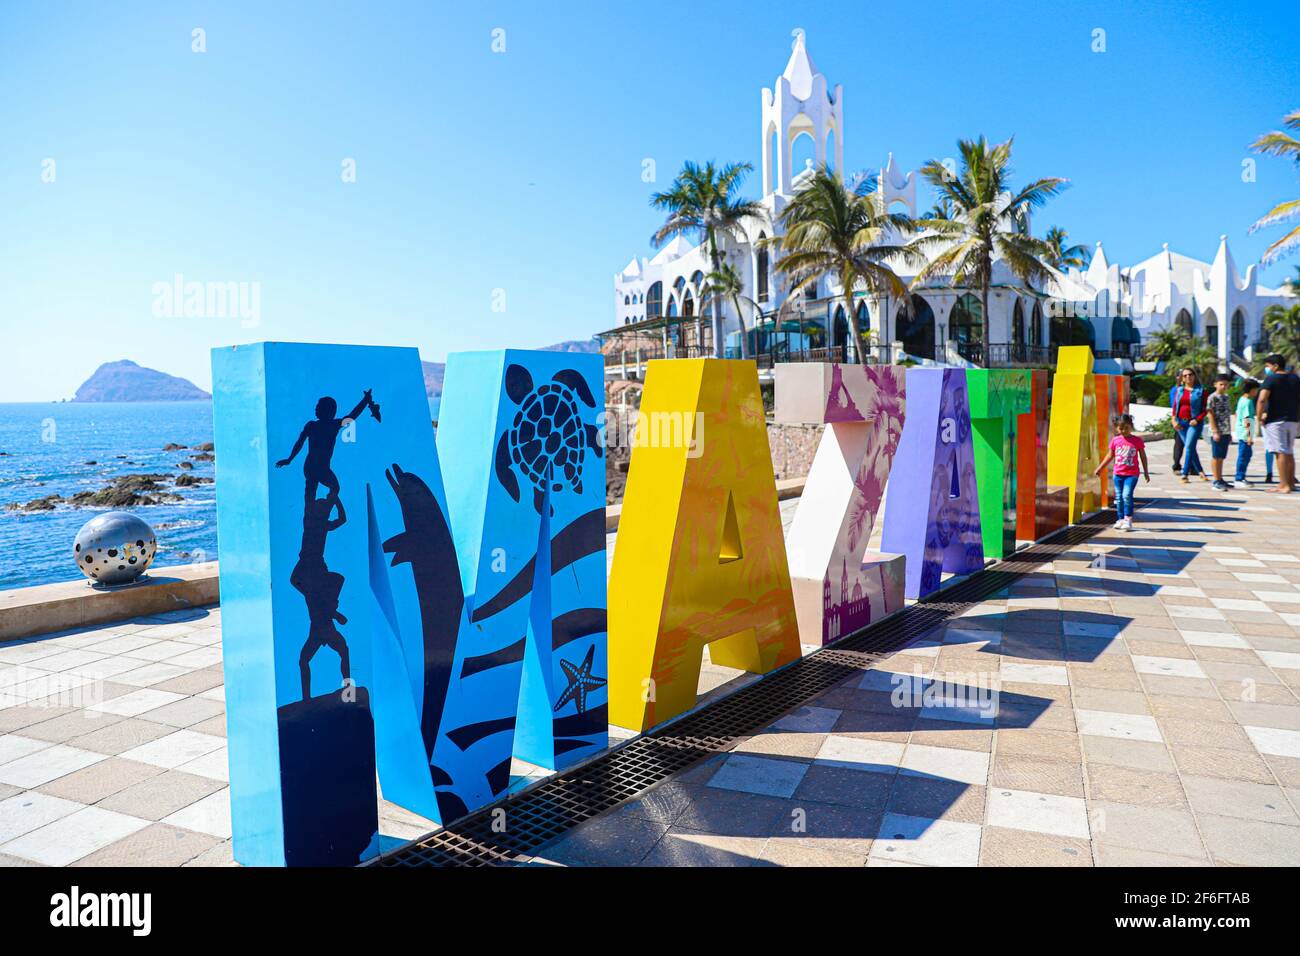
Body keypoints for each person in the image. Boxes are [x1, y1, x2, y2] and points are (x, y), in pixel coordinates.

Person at [276, 389, 379, 504]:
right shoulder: (312, 425)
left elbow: (352, 416)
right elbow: (299, 443)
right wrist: (289, 459)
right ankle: (314, 512)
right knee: (313, 493)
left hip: (322, 468)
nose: (316, 408)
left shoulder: (333, 425)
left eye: (319, 406)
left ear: (327, 410)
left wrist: (365, 401)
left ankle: (322, 510)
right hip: (312, 467)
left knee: (333, 488)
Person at [1094, 413, 1150, 531]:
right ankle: (1120, 519)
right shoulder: (1115, 441)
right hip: (1118, 474)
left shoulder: (1137, 441)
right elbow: (1109, 456)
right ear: (1116, 428)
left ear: (1131, 427)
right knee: (1119, 497)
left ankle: (1128, 519)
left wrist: (1146, 471)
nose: (1124, 430)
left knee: (1126, 495)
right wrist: (1100, 468)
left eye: (1126, 428)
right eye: (1121, 428)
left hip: (1132, 474)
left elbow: (1143, 457)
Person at [1257, 353, 1300, 494]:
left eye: (1268, 366)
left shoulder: (1271, 379)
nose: (1267, 369)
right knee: (1289, 452)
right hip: (1293, 419)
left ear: (1275, 366)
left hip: (1276, 420)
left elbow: (1262, 399)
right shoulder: (1295, 378)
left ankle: (1283, 485)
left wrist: (1258, 417)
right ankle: (1291, 483)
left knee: (1280, 452)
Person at [1169, 368, 1208, 484]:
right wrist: (1173, 420)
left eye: (1190, 375)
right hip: (1181, 423)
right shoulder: (1179, 390)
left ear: (1194, 376)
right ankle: (1201, 471)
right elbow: (1175, 407)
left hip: (1194, 423)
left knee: (1189, 446)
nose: (1188, 377)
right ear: (1181, 378)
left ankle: (1185, 474)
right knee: (1190, 447)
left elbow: (1205, 409)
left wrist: (1197, 419)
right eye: (1184, 375)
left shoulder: (1202, 391)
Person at [1206, 373, 1235, 490]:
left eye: (1226, 385)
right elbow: (1210, 414)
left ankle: (1220, 478)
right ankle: (1216, 480)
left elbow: (1227, 415)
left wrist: (1229, 432)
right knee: (1216, 455)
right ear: (1215, 385)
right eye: (1221, 384)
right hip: (1216, 431)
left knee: (1222, 456)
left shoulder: (1226, 397)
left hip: (1225, 431)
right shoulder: (1212, 397)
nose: (1223, 387)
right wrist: (1215, 431)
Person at [1235, 379, 1259, 485]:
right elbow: (1247, 419)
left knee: (1246, 454)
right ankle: (1239, 478)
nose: (1257, 392)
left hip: (1242, 432)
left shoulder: (1242, 399)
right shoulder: (1248, 402)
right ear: (1251, 390)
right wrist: (1249, 436)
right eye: (1255, 389)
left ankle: (1241, 476)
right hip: (1245, 434)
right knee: (1244, 455)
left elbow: (1237, 413)